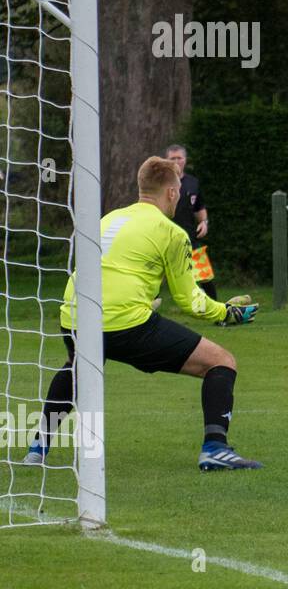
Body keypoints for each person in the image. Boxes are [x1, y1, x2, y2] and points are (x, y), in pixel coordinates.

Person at [25, 157, 261, 471]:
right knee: (222, 362)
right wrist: (227, 313)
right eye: (178, 190)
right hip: (125, 324)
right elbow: (190, 300)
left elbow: (108, 269)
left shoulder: (109, 218)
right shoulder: (172, 233)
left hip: (74, 316)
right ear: (172, 193)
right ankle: (215, 449)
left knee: (77, 369)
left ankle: (37, 448)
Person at [165, 144, 218, 300]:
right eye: (172, 158)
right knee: (154, 280)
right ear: (166, 161)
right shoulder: (160, 183)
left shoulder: (193, 182)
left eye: (179, 158)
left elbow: (199, 207)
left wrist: (204, 222)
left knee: (205, 278)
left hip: (189, 238)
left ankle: (218, 311)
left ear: (185, 160)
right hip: (164, 239)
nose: (176, 161)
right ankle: (144, 311)